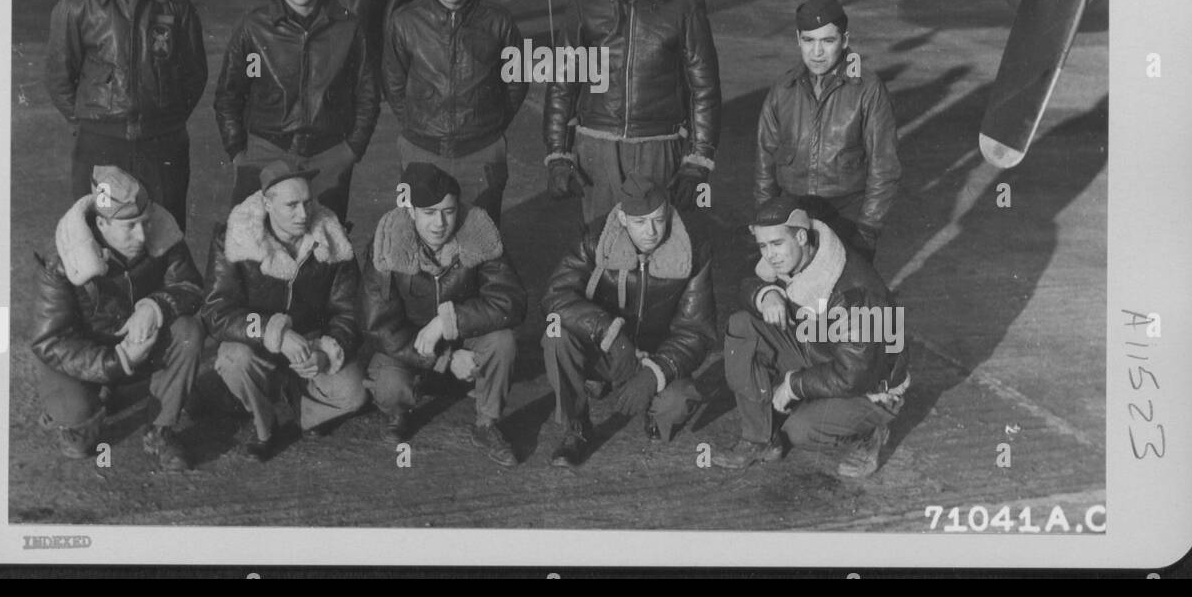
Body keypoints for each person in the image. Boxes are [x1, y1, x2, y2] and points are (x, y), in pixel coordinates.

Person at [543, 0, 721, 227]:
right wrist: (558, 153)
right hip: (596, 149)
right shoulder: (586, 2)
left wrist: (698, 161)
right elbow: (561, 82)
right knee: (601, 245)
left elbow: (704, 89)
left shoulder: (685, 5)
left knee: (656, 246)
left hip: (658, 148)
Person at [44, 0, 207, 230]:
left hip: (162, 144)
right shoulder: (77, 6)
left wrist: (163, 117)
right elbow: (60, 78)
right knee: (100, 235)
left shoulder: (176, 5)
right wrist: (94, 124)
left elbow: (194, 75)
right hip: (101, 147)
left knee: (164, 237)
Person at [715, 198, 910, 477]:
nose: (769, 255)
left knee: (799, 430)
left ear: (802, 236)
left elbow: (855, 375)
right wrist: (766, 294)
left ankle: (869, 432)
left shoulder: (853, 293)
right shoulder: (795, 253)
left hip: (873, 386)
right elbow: (748, 278)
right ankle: (759, 439)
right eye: (762, 246)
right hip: (822, 351)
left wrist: (795, 385)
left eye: (776, 244)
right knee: (743, 326)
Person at [30, 165, 205, 471]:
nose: (142, 235)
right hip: (86, 354)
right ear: (102, 223)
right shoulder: (61, 260)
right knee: (80, 441)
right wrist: (118, 361)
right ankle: (73, 407)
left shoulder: (161, 232)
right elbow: (49, 341)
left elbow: (190, 285)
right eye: (130, 227)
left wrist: (155, 306)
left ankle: (159, 430)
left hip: (137, 345)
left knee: (188, 330)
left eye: (145, 223)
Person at [540, 174, 716, 468]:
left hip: (657, 356)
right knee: (555, 335)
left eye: (659, 220)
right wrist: (610, 334)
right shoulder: (596, 240)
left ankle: (651, 408)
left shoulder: (692, 251)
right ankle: (577, 426)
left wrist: (654, 374)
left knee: (675, 406)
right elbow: (555, 296)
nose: (651, 231)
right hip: (608, 349)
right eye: (639, 222)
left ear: (669, 211)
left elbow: (696, 331)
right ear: (622, 218)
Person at [361, 163, 527, 466]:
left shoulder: (478, 232)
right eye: (428, 213)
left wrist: (448, 321)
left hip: (463, 340)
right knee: (388, 383)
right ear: (410, 211)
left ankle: (487, 423)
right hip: (410, 349)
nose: (439, 223)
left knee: (502, 341)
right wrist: (444, 361)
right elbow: (379, 326)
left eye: (448, 212)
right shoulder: (387, 242)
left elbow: (511, 301)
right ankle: (399, 411)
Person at [203, 159, 368, 462]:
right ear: (267, 203)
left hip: (311, 343)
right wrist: (272, 332)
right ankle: (265, 426)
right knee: (232, 358)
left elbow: (349, 311)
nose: (303, 214)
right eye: (291, 205)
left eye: (307, 203)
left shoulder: (332, 237)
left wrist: (325, 352)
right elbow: (218, 312)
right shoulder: (234, 237)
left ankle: (298, 401)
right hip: (255, 346)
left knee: (354, 393)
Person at [214, 0, 379, 223]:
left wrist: (352, 150)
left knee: (325, 247)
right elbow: (229, 94)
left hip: (328, 155)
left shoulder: (348, 28)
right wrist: (239, 153)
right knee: (253, 245)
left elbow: (367, 93)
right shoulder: (254, 27)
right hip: (266, 152)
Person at [382, 0, 528, 223]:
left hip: (482, 149)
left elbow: (516, 82)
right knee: (423, 237)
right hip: (422, 148)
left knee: (482, 239)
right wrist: (419, 127)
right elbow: (393, 83)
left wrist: (488, 126)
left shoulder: (498, 21)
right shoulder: (405, 21)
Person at [753, 0, 900, 262]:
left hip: (846, 215)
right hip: (792, 212)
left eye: (828, 41)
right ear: (798, 39)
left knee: (844, 299)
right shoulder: (783, 90)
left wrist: (867, 230)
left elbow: (884, 168)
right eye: (809, 40)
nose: (817, 52)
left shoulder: (867, 89)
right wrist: (767, 220)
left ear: (844, 41)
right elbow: (765, 163)